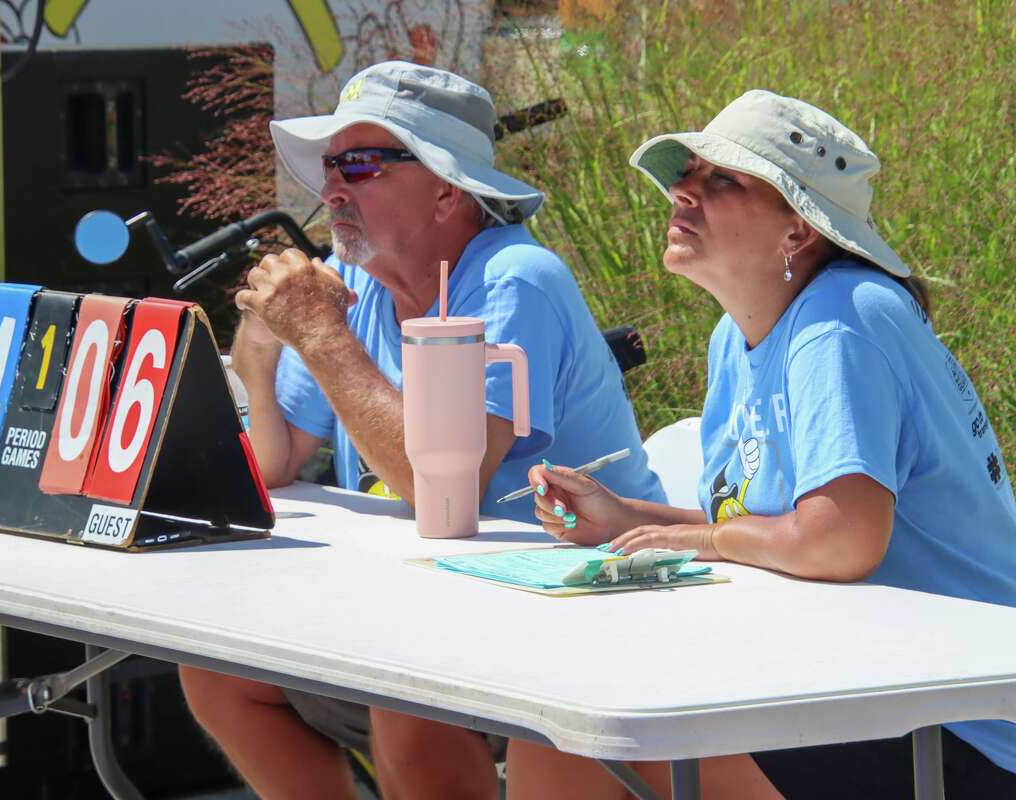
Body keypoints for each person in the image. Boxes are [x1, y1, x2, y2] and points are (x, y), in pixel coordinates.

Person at [506, 89, 1016, 800]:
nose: (682, 191)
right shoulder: (738, 335)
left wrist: (695, 542)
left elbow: (839, 543)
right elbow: (780, 527)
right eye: (687, 173)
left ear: (799, 233)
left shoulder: (840, 319)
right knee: (567, 723)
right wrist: (631, 521)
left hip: (957, 726)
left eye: (722, 180)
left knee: (594, 730)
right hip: (864, 685)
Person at [178, 60, 667, 800]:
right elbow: (274, 465)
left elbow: (443, 487)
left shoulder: (513, 279)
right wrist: (258, 341)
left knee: (401, 681)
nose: (333, 186)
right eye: (329, 165)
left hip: (579, 612)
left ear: (446, 187)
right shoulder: (364, 285)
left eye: (363, 163)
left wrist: (319, 334)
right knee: (218, 669)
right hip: (437, 603)